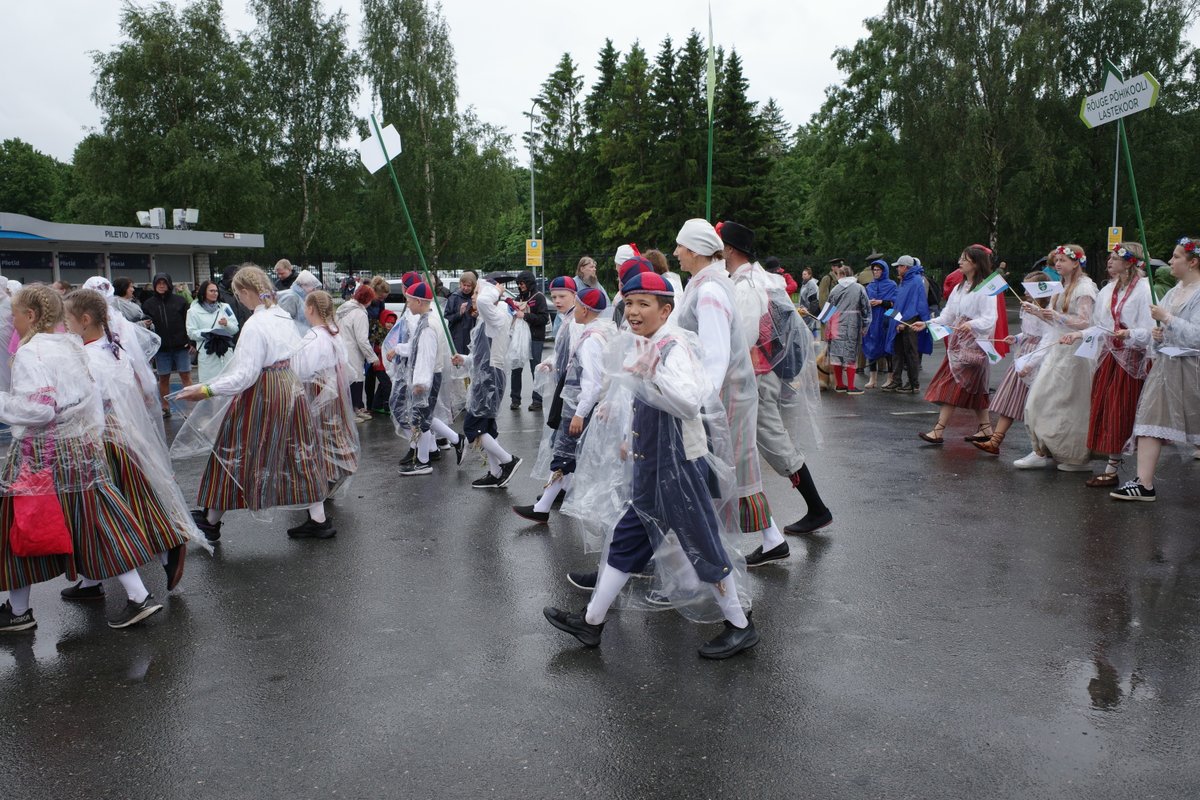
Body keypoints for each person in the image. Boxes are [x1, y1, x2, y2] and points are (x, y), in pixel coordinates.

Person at [544, 270, 759, 660]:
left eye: (644, 303)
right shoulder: (645, 343)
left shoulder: (673, 347)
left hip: (678, 466)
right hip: (652, 464)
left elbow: (690, 403)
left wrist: (652, 375)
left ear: (666, 309)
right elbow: (640, 399)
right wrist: (630, 436)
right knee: (627, 542)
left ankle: (741, 626)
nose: (634, 311)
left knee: (703, 544)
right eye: (629, 303)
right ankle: (591, 622)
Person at [0, 286, 165, 632]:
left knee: (23, 525)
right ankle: (137, 596)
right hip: (80, 446)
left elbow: (41, 410)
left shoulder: (31, 354)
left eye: (14, 314)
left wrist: (3, 403)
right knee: (96, 520)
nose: (11, 320)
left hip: (42, 452)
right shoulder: (71, 346)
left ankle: (18, 611)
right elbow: (87, 399)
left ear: (30, 316)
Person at [174, 265, 330, 541]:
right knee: (297, 446)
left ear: (246, 292)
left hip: (265, 389)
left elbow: (245, 375)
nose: (239, 299)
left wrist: (206, 389)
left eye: (238, 294)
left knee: (238, 447)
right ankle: (318, 519)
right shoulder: (281, 315)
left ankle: (211, 520)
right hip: (289, 384)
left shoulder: (256, 324)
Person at [62, 289, 199, 600]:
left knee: (105, 508)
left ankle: (145, 564)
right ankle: (96, 577)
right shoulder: (112, 347)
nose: (65, 325)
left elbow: (89, 402)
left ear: (85, 320)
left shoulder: (91, 356)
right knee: (134, 496)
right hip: (121, 432)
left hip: (101, 435)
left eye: (68, 319)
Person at [674, 218, 785, 567]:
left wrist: (700, 399)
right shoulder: (706, 283)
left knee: (727, 468)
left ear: (694, 250)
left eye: (680, 246)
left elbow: (717, 354)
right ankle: (771, 539)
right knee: (733, 466)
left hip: (726, 393)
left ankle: (715, 552)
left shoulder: (708, 291)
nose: (675, 252)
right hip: (726, 391)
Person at [723, 221, 832, 540]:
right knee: (756, 444)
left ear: (729, 249)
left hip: (757, 376)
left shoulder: (747, 284)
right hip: (760, 373)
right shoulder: (755, 278)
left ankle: (813, 511)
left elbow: (744, 337)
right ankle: (792, 521)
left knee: (772, 442)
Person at [513, 284, 612, 523]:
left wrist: (579, 413)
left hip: (578, 403)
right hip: (581, 402)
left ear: (586, 310)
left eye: (576, 304)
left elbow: (592, 381)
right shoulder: (600, 331)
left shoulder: (590, 339)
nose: (573, 309)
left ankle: (543, 507)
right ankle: (551, 499)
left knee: (563, 453)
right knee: (569, 455)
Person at [1111, 237, 1200, 501]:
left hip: (1194, 370)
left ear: (1193, 261)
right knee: (1150, 420)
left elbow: (1197, 336)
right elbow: (1163, 332)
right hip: (1167, 369)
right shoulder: (1174, 291)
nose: (1170, 261)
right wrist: (1154, 334)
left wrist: (1167, 318)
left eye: (1176, 257)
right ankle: (1144, 483)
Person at [1060, 244, 1152, 486]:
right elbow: (1101, 326)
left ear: (1130, 262)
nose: (1109, 262)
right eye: (1109, 257)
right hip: (1109, 357)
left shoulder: (1144, 290)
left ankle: (1125, 471)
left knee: (1125, 411)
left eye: (1114, 258)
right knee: (1108, 408)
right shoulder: (1108, 289)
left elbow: (1150, 330)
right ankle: (1111, 465)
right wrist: (1078, 335)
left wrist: (1130, 333)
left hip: (1131, 358)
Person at [1017, 245, 1099, 471]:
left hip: (1075, 352)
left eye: (1062, 260)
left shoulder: (1084, 287)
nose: (1058, 265)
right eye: (1056, 261)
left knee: (1070, 405)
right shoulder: (1060, 286)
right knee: (1039, 400)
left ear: (1076, 262)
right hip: (1058, 349)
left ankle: (1074, 456)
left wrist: (1056, 316)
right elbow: (1055, 322)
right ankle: (1042, 450)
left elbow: (1086, 322)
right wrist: (1037, 312)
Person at [910, 245, 999, 444]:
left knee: (952, 386)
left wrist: (971, 324)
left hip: (974, 346)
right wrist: (926, 323)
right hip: (957, 345)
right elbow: (948, 315)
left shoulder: (985, 288)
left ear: (975, 263)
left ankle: (938, 431)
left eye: (964, 259)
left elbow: (990, 318)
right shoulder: (960, 287)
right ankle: (985, 429)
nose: (959, 262)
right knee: (974, 389)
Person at [451, 275, 523, 488]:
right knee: (487, 429)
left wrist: (495, 290)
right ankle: (495, 472)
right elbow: (484, 355)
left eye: (475, 291)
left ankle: (508, 461)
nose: (473, 297)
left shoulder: (495, 312)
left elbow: (484, 300)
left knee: (473, 428)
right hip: (487, 376)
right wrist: (464, 360)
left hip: (489, 379)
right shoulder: (489, 317)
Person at [972, 271, 1054, 456]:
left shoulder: (1047, 310)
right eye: (1024, 287)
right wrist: (1017, 338)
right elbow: (1029, 332)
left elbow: (1047, 338)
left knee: (1038, 406)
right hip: (1023, 355)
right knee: (1010, 398)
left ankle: (1042, 449)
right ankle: (995, 440)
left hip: (1038, 356)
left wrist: (1031, 364)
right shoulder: (1027, 307)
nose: (1025, 291)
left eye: (1029, 287)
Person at [292, 290, 360, 506]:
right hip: (333, 393)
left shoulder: (314, 337)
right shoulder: (333, 334)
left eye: (305, 306)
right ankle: (336, 470)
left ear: (310, 309)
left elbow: (303, 369)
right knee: (332, 432)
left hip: (317, 392)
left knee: (319, 437)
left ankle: (328, 477)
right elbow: (344, 364)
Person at [390, 282, 446, 476]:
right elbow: (415, 349)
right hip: (427, 376)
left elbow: (426, 356)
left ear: (419, 301)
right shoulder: (426, 320)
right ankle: (422, 459)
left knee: (421, 420)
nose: (407, 303)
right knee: (421, 419)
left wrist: (420, 383)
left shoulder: (428, 326)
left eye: (409, 300)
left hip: (427, 378)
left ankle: (423, 462)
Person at [142, 272, 194, 418]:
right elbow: (145, 327)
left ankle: (191, 406)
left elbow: (189, 322)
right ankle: (165, 407)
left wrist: (191, 342)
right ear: (154, 285)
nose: (161, 285)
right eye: (158, 283)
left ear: (169, 284)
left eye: (164, 283)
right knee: (163, 378)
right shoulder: (148, 304)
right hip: (161, 348)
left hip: (181, 345)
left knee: (185, 375)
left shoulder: (180, 301)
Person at [884, 256, 932, 392]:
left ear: (905, 267)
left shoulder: (916, 281)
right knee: (897, 351)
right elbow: (900, 303)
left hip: (910, 324)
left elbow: (917, 305)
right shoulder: (904, 281)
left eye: (899, 266)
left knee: (911, 353)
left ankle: (913, 383)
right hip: (900, 322)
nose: (897, 269)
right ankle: (897, 380)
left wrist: (905, 323)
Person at [825, 265, 872, 394]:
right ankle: (851, 386)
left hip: (836, 323)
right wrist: (865, 325)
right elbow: (866, 308)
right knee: (851, 354)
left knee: (837, 354)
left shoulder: (835, 289)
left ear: (840, 275)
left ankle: (840, 384)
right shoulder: (859, 288)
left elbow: (827, 311)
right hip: (853, 323)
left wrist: (827, 327)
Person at [335, 283, 376, 423]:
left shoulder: (344, 308)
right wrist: (372, 358)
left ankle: (355, 409)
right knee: (356, 379)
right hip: (353, 350)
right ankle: (352, 412)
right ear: (367, 299)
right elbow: (362, 339)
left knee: (349, 379)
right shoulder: (359, 313)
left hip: (342, 348)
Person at [510, 270, 549, 411]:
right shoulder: (518, 298)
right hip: (519, 338)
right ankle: (515, 399)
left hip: (535, 338)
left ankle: (537, 400)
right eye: (519, 283)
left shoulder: (538, 297)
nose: (521, 286)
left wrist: (525, 315)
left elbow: (544, 319)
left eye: (523, 283)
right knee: (516, 367)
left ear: (529, 282)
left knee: (536, 369)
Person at [186, 280, 239, 382]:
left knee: (229, 383)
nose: (215, 293)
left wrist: (227, 324)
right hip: (207, 354)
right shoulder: (193, 311)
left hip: (226, 352)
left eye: (216, 291)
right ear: (203, 293)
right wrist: (210, 332)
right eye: (211, 291)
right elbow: (191, 333)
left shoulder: (225, 307)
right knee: (209, 386)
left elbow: (235, 329)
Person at [862, 259, 897, 389]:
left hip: (885, 320)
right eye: (874, 270)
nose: (876, 272)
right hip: (872, 320)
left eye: (878, 270)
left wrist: (881, 302)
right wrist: (869, 303)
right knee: (871, 346)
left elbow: (895, 303)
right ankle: (873, 378)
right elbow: (863, 302)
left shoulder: (892, 285)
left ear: (884, 271)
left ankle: (890, 377)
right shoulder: (869, 286)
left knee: (887, 349)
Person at [276, 269, 322, 333]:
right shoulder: (291, 298)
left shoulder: (300, 297)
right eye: (312, 287)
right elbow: (284, 322)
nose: (314, 290)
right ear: (302, 285)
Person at [444, 270, 477, 355]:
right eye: (464, 285)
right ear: (460, 284)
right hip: (457, 336)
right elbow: (447, 317)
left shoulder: (475, 298)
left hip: (471, 335)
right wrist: (460, 313)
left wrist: (476, 315)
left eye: (469, 286)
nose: (466, 288)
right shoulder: (454, 297)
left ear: (473, 286)